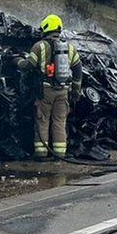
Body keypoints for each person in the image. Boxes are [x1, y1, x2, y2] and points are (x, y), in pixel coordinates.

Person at [16, 14, 83, 160]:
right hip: (63, 91)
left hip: (45, 91)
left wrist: (17, 60)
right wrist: (76, 91)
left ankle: (41, 154)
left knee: (43, 120)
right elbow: (78, 70)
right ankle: (60, 154)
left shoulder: (39, 46)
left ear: (46, 27)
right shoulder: (70, 48)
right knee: (59, 122)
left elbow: (28, 66)